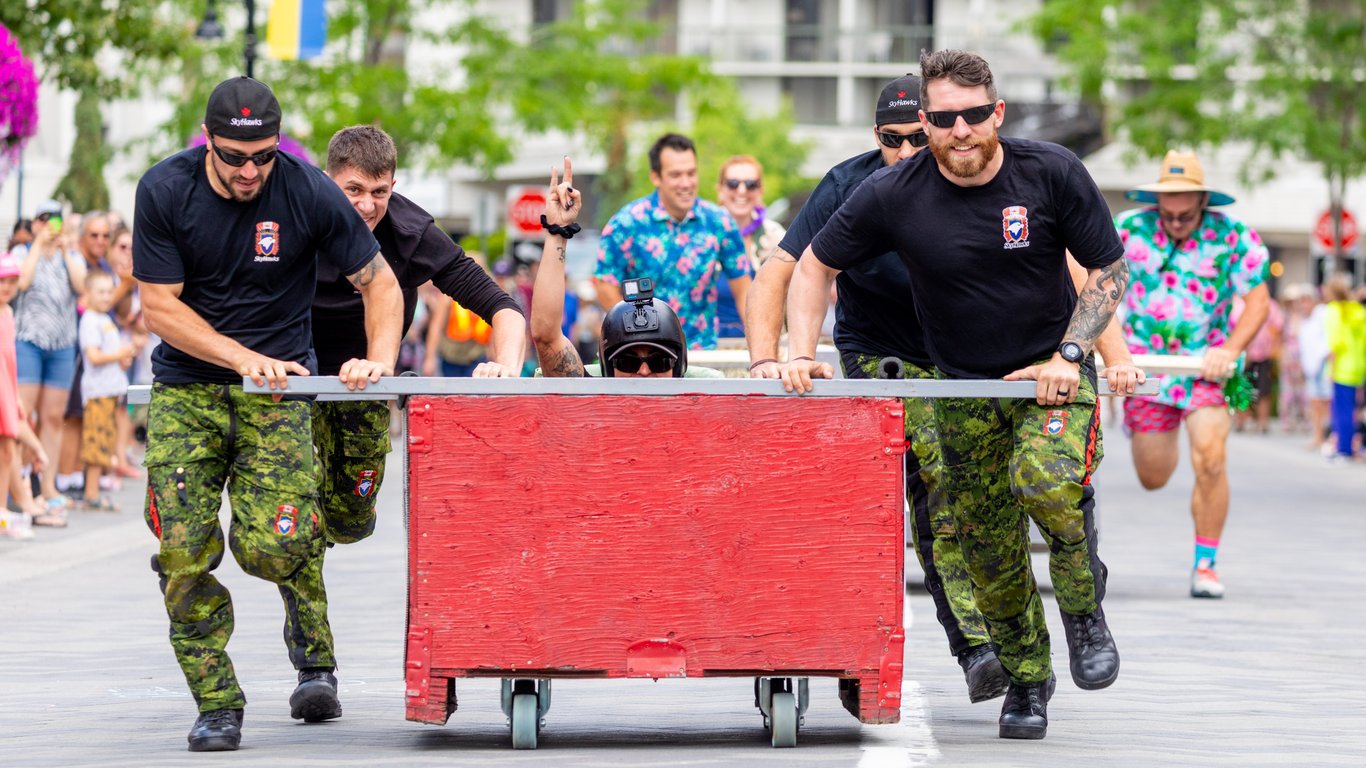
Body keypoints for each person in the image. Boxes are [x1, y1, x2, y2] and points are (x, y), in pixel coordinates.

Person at [782, 50, 1129, 740]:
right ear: (927, 121)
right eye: (943, 119)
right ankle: (1028, 681)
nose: (960, 131)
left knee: (1046, 483)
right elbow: (812, 265)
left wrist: (1070, 353)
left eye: (974, 115)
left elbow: (1107, 269)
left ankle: (1084, 610)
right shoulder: (894, 193)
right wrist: (796, 353)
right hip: (962, 388)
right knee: (988, 549)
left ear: (996, 113)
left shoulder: (1051, 172)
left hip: (1049, 378)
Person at [132, 77, 403, 752]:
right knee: (182, 553)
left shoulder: (307, 190)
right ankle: (218, 703)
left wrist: (378, 361)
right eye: (233, 156)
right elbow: (159, 306)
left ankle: (313, 649)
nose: (250, 170)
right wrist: (237, 356)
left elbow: (381, 283)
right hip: (188, 392)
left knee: (274, 544)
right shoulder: (164, 190)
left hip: (279, 395)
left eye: (262, 156)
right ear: (209, 142)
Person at [749, 74, 1012, 702]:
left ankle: (1013, 635)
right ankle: (966, 648)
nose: (907, 153)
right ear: (877, 138)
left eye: (919, 139)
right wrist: (771, 359)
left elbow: (1064, 261)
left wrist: (1082, 352)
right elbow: (783, 267)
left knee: (979, 497)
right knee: (924, 487)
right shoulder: (852, 185)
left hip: (967, 357)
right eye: (892, 141)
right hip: (880, 355)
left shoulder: (977, 172)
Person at [314, 124, 525, 546]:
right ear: (327, 180)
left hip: (366, 385)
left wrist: (507, 367)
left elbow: (503, 307)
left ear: (394, 185)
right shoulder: (299, 216)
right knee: (292, 517)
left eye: (379, 192)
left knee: (348, 523)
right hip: (298, 377)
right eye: (353, 190)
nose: (366, 205)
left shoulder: (411, 232)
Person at [1114, 149, 1271, 599]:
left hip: (1207, 368)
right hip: (1147, 370)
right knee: (1154, 475)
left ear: (1203, 201)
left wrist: (1231, 350)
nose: (1176, 222)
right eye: (1169, 213)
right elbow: (1089, 277)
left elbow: (1258, 302)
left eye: (1186, 214)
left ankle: (1206, 564)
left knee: (1211, 457)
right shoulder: (1129, 229)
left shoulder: (1234, 236)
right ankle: (1157, 439)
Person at [533, 158, 704, 379]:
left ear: (677, 365)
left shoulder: (697, 406)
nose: (644, 371)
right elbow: (546, 336)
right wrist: (557, 231)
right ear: (609, 368)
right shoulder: (588, 400)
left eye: (659, 361)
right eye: (627, 361)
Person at [593, 133, 752, 350]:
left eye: (691, 173)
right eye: (676, 175)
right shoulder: (626, 224)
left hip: (702, 353)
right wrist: (635, 338)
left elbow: (744, 289)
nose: (686, 183)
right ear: (656, 177)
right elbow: (605, 286)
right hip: (645, 358)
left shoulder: (720, 222)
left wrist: (760, 351)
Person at [13, 199, 85, 519]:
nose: (50, 225)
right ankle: (18, 483)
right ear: (35, 222)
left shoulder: (70, 254)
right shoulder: (21, 253)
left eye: (54, 219)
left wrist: (66, 248)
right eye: (44, 219)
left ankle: (50, 484)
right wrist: (38, 245)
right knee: (23, 415)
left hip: (62, 344)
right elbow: (22, 282)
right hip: (29, 340)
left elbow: (82, 286)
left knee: (53, 417)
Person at [76, 271, 137, 512]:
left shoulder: (105, 319)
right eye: (100, 292)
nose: (106, 297)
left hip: (110, 391)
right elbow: (94, 355)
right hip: (97, 392)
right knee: (96, 443)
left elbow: (110, 353)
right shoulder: (90, 320)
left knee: (106, 443)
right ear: (88, 294)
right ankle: (91, 495)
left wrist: (123, 360)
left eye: (109, 291)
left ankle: (96, 492)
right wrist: (120, 355)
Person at [0, 251, 50, 540]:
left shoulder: (8, 313)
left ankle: (3, 507)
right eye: (2, 281)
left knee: (7, 448)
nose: (7, 287)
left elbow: (10, 360)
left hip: (7, 385)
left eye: (12, 281)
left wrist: (15, 394)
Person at [714, 155, 785, 339]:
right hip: (710, 342)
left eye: (751, 184)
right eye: (733, 183)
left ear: (760, 190)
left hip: (764, 341)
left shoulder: (775, 235)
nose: (742, 190)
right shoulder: (704, 234)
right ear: (720, 189)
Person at [1323, 274, 1366, 462]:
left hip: (1341, 366)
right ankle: (1351, 446)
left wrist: (1331, 369)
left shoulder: (1334, 310)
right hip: (1358, 365)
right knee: (1352, 409)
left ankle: (1343, 448)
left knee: (1341, 410)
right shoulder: (1356, 310)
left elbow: (1336, 343)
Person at [1232, 293, 1283, 434]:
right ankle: (1241, 420)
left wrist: (1274, 349)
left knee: (1264, 389)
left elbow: (1277, 327)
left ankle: (1262, 422)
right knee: (1242, 388)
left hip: (1263, 354)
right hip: (1242, 353)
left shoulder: (1268, 303)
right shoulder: (1236, 303)